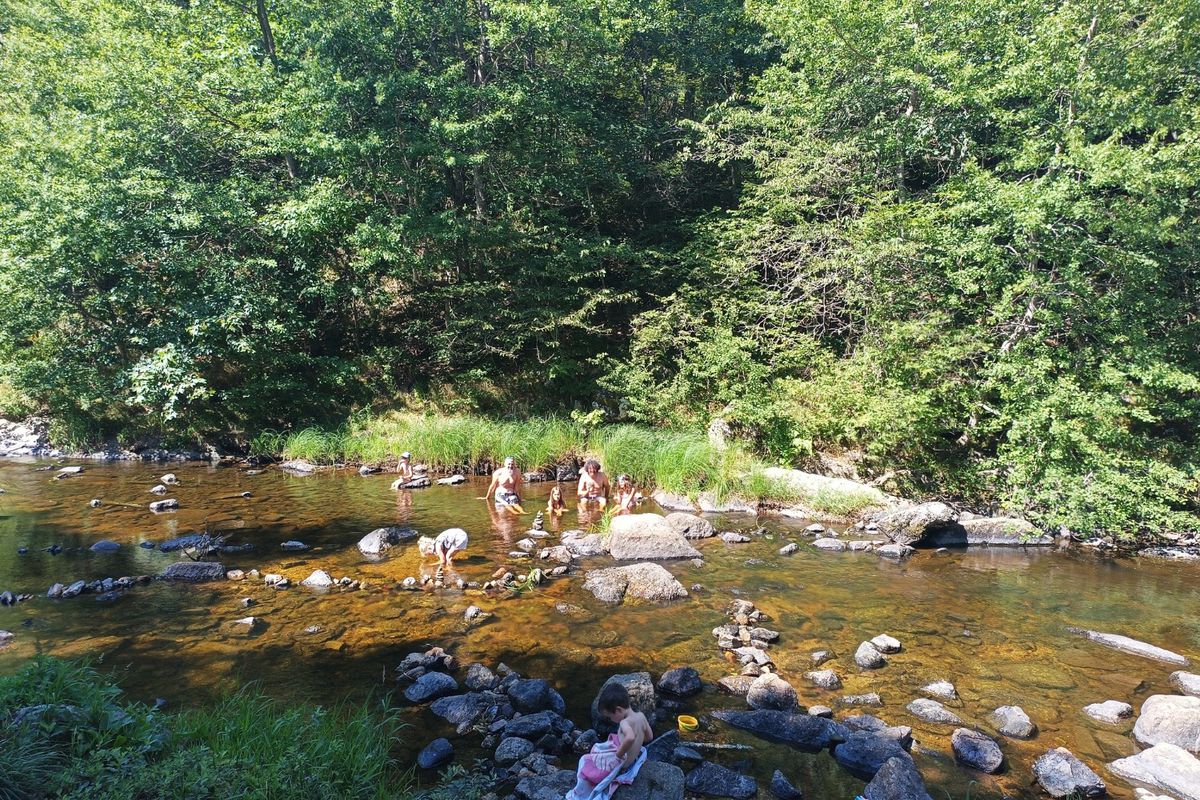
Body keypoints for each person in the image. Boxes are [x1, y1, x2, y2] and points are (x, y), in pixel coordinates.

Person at [568, 682, 651, 800]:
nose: (611, 720)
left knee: (586, 760)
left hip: (623, 763)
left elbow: (630, 737)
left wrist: (618, 756)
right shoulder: (641, 716)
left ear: (618, 710)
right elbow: (649, 737)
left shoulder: (625, 722)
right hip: (632, 760)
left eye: (610, 717)